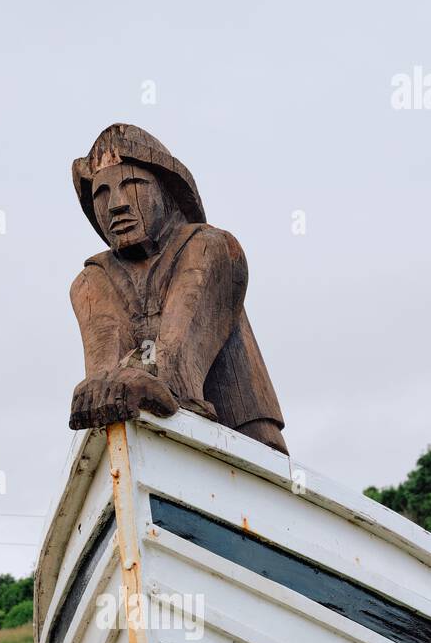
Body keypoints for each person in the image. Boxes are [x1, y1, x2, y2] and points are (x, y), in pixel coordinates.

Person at [69, 124, 287, 454]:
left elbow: (172, 370)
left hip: (245, 446)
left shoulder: (208, 246)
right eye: (101, 193)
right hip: (149, 446)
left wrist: (149, 376)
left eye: (133, 184)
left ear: (167, 193)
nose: (116, 204)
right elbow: (104, 370)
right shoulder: (94, 278)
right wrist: (100, 386)